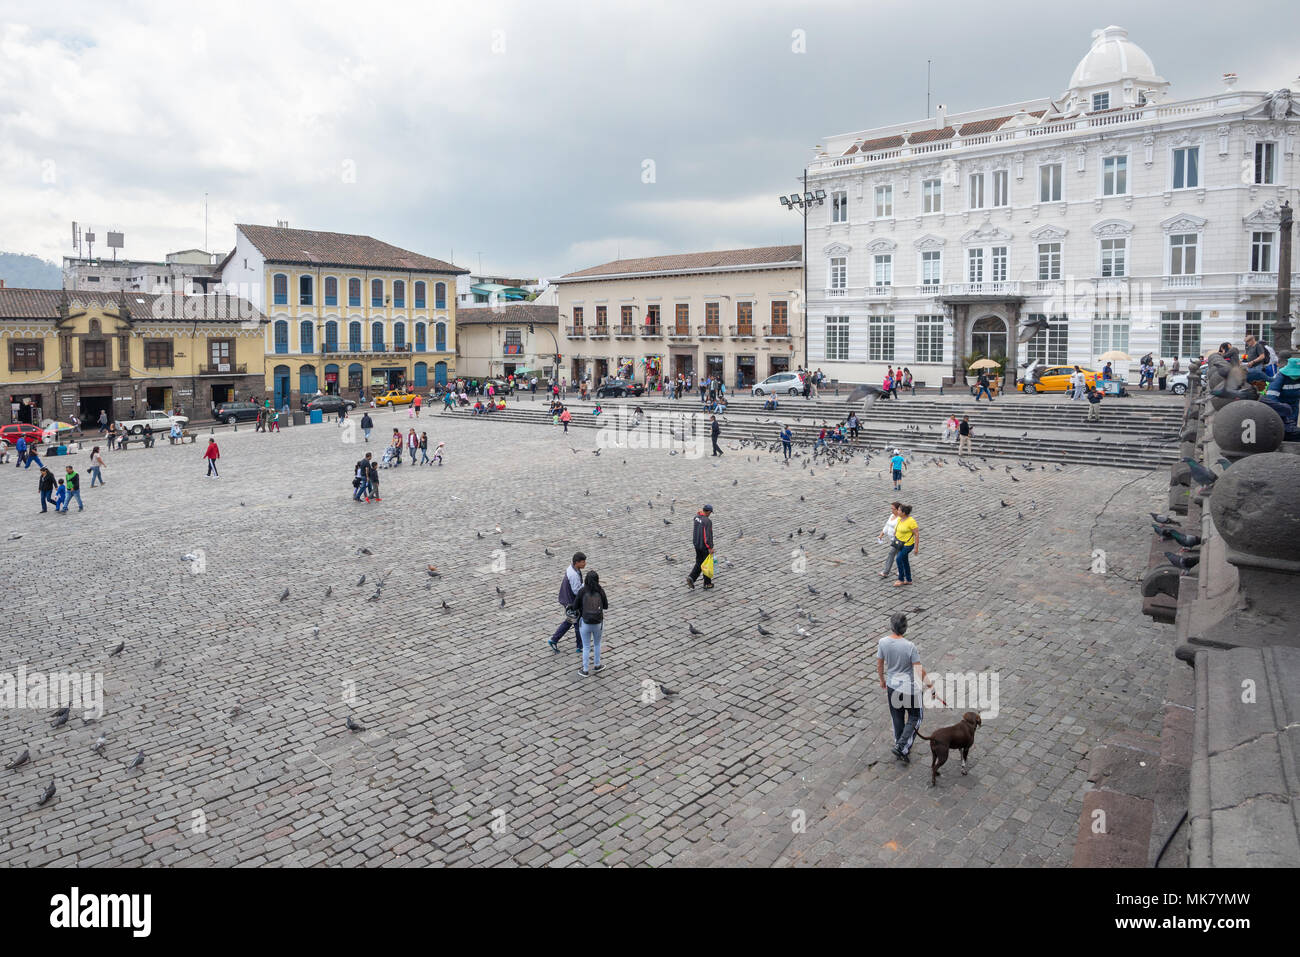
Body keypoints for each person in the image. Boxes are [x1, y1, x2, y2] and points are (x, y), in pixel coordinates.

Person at [876, 613, 935, 764]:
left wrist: (882, 679)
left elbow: (880, 663)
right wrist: (930, 685)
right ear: (905, 628)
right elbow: (918, 670)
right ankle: (902, 745)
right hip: (910, 689)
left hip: (892, 687)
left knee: (897, 717)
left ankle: (899, 743)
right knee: (916, 716)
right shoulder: (910, 647)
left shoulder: (883, 642)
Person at [570, 569, 609, 678]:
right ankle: (597, 665)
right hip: (598, 623)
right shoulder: (600, 591)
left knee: (586, 646)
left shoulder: (582, 591)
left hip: (585, 623)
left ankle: (585, 670)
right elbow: (605, 606)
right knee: (597, 644)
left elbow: (575, 606)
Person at [548, 552, 587, 654]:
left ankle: (554, 639)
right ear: (577, 563)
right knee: (577, 623)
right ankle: (580, 646)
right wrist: (584, 585)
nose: (585, 564)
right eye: (583, 562)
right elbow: (576, 591)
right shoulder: (574, 575)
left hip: (567, 599)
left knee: (570, 621)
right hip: (572, 601)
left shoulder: (573, 569)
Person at [686, 504, 715, 590]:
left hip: (696, 544)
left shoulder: (696, 517)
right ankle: (707, 583)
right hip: (704, 546)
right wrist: (710, 547)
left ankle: (691, 578)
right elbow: (707, 536)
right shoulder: (707, 521)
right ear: (709, 512)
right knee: (706, 564)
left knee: (699, 562)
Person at [893, 505, 918, 586]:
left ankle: (901, 579)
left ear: (904, 513)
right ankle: (909, 579)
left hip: (907, 545)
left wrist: (916, 548)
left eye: (899, 510)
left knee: (898, 559)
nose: (897, 511)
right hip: (900, 543)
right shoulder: (900, 518)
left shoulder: (911, 521)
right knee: (905, 561)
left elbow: (916, 534)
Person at [877, 502, 902, 579]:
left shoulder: (900, 519)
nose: (891, 510)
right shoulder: (892, 516)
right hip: (892, 540)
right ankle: (901, 570)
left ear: (898, 510)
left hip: (898, 540)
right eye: (891, 508)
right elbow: (887, 525)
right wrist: (881, 535)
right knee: (899, 555)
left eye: (893, 509)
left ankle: (885, 572)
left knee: (891, 554)